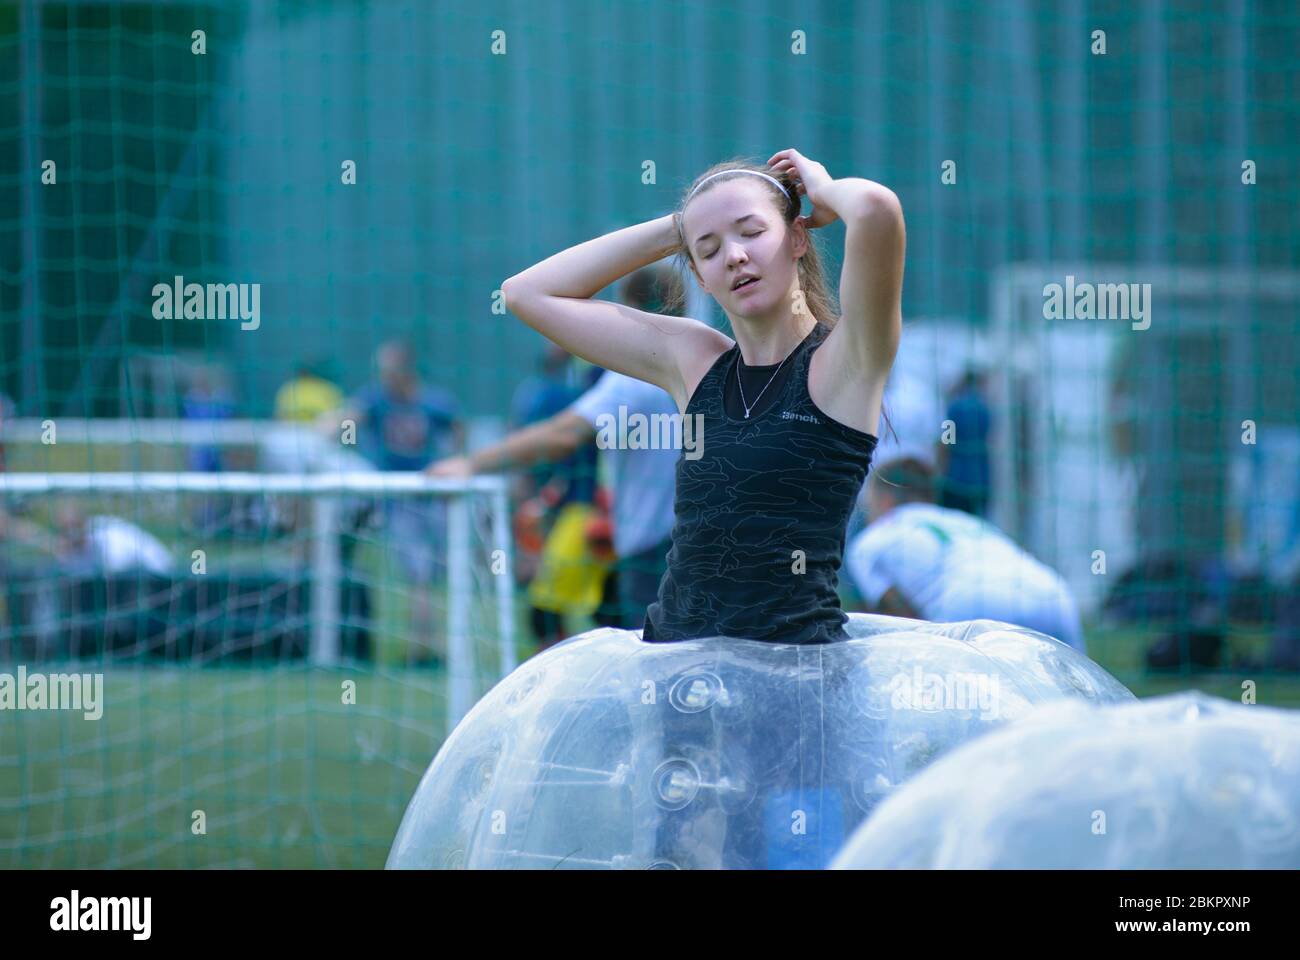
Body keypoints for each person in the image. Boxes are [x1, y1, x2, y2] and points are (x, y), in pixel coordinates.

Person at [501, 149, 902, 644]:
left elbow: (876, 209)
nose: (734, 256)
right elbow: (526, 294)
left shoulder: (845, 362)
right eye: (709, 251)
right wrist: (682, 226)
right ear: (701, 278)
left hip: (796, 676)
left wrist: (819, 189)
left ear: (798, 236)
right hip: (677, 670)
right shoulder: (695, 359)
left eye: (752, 233)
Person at [428, 265, 682, 634]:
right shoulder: (702, 358)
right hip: (689, 540)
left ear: (627, 308)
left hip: (653, 552)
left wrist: (472, 464)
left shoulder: (635, 375)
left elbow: (561, 436)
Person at [843, 457, 1087, 652]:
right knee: (1075, 697)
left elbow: (903, 619)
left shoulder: (872, 539)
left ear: (884, 501)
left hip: (973, 606)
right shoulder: (966, 521)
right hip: (1053, 594)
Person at [339, 340, 463, 665]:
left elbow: (458, 429)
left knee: (430, 575)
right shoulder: (375, 400)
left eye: (390, 370)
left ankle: (426, 645)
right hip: (400, 500)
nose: (385, 376)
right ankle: (424, 645)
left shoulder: (433, 402)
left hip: (433, 497)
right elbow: (345, 421)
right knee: (418, 575)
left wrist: (456, 463)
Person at [937, 366, 992, 516]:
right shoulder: (985, 409)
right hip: (981, 478)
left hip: (956, 476)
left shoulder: (954, 407)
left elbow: (946, 441)